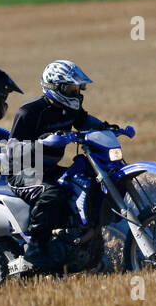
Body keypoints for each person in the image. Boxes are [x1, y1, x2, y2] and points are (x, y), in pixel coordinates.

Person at [7, 60, 110, 269]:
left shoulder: (71, 107)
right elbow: (13, 150)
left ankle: (80, 240)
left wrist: (109, 128)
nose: (76, 93)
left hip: (49, 170)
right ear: (54, 87)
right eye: (71, 88)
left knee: (86, 183)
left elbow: (85, 121)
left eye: (78, 88)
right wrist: (41, 143)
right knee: (52, 193)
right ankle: (36, 249)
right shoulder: (29, 112)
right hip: (22, 172)